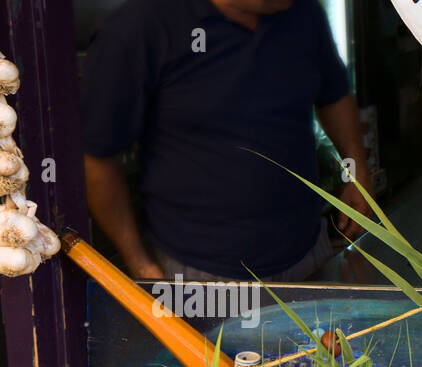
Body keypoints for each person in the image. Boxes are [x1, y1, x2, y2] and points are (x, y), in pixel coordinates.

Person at [80, 0, 372, 282]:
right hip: (200, 275)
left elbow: (334, 94)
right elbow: (97, 158)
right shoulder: (138, 27)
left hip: (310, 250)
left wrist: (355, 166)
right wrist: (140, 265)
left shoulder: (304, 13)